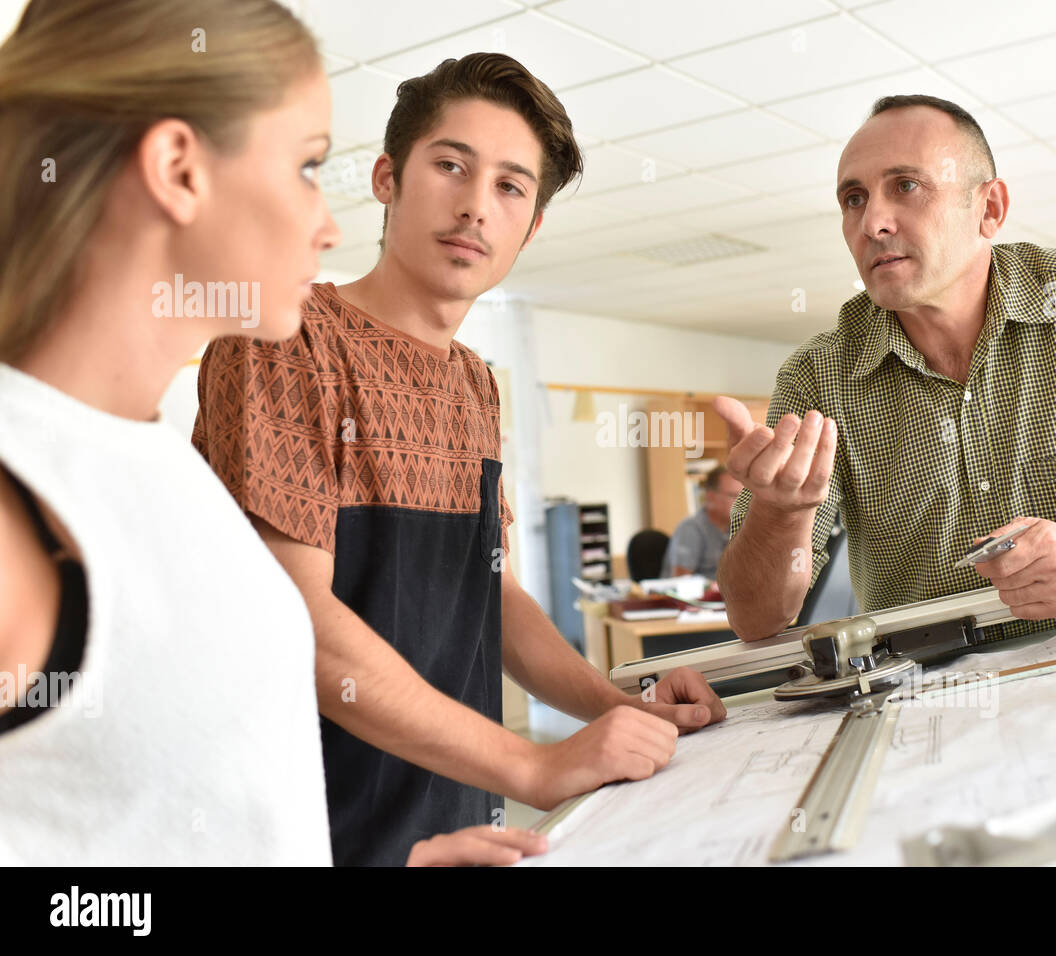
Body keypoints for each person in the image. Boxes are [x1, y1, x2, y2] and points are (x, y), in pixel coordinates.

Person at [0, 0, 542, 867]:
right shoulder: (22, 499)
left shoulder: (150, 465)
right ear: (179, 168)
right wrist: (532, 761)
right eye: (305, 166)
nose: (325, 224)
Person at [192, 52, 726, 867]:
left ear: (532, 225)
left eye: (511, 187)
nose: (477, 207)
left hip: (457, 824)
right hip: (312, 831)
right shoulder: (284, 343)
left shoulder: (475, 383)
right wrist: (535, 764)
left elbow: (496, 593)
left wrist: (619, 700)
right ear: (385, 178)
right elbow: (300, 619)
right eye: (451, 166)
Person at [716, 94, 1056, 645]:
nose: (873, 222)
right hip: (924, 695)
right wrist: (780, 515)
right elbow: (757, 619)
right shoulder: (818, 377)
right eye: (853, 199)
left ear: (990, 210)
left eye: (906, 186)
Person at [662, 465, 743, 579]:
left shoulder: (740, 528)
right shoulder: (690, 529)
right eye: (734, 496)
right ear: (710, 497)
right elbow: (681, 580)